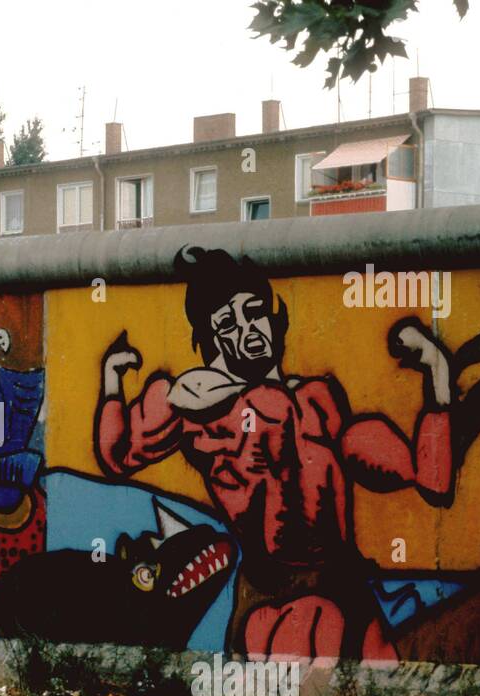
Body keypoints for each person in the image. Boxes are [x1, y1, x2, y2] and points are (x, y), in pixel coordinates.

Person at [95, 247, 454, 660]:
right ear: (211, 340)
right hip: (274, 602)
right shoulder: (200, 410)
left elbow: (430, 478)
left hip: (345, 590)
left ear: (272, 316)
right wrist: (110, 384)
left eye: (253, 312)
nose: (247, 329)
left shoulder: (319, 402)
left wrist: (437, 375)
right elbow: (119, 455)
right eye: (227, 323)